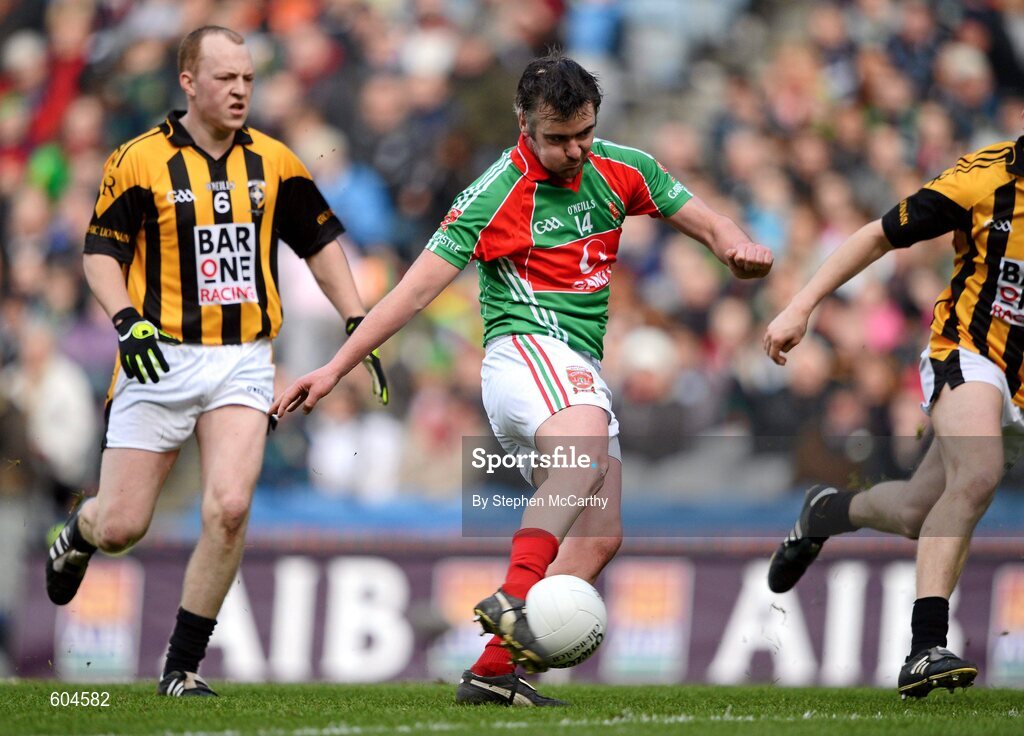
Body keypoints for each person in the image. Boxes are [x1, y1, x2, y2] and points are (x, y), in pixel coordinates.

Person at [271, 54, 772, 706]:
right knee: (583, 458)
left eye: (584, 133)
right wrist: (336, 367)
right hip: (524, 354)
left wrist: (735, 248)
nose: (575, 150)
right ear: (524, 124)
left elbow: (707, 221)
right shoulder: (494, 194)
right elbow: (413, 293)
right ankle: (512, 598)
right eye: (558, 138)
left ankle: (493, 669)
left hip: (576, 370)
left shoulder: (624, 168)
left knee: (599, 537)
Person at [44, 26, 386, 697]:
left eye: (248, 79)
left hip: (243, 359)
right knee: (121, 526)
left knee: (229, 507)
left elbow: (319, 244)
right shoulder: (139, 159)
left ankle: (182, 666)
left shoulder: (275, 161)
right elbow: (101, 254)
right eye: (226, 78)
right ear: (188, 81)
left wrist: (358, 322)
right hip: (158, 357)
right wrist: (127, 320)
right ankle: (80, 530)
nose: (239, 90)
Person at [762, 134, 1024, 698]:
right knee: (979, 472)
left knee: (913, 513)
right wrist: (801, 306)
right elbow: (876, 235)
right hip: (969, 352)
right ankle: (925, 647)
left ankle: (827, 512)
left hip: (1020, 382)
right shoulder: (982, 181)